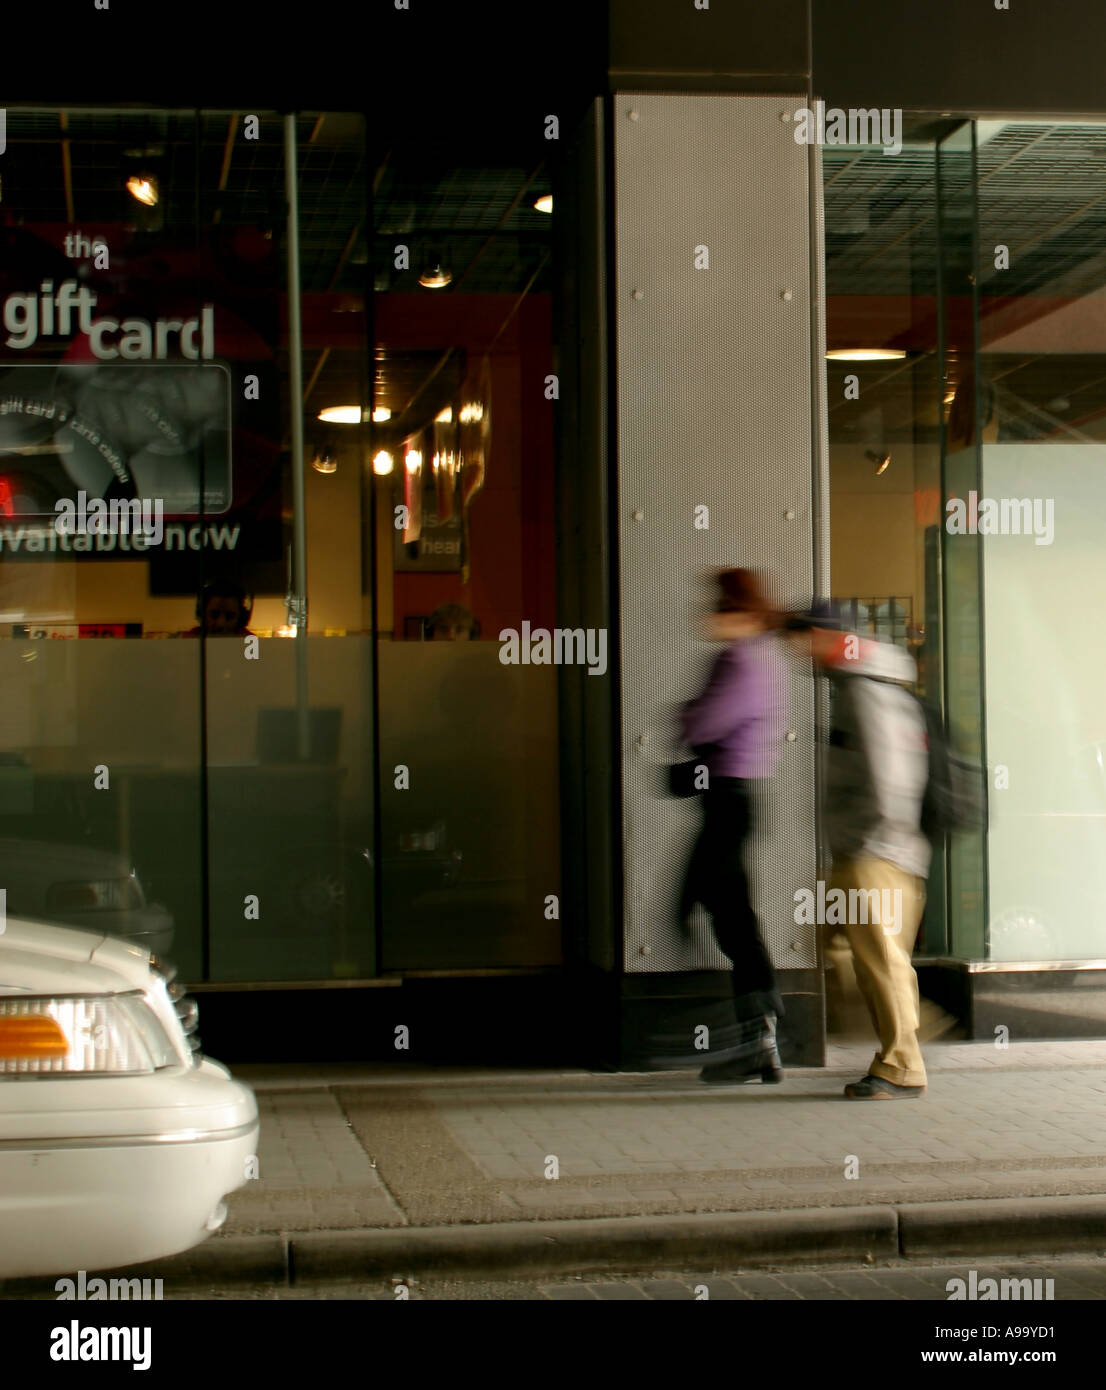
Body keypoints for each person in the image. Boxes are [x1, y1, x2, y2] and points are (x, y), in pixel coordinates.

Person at [785, 602, 931, 1099]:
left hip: (877, 853)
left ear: (831, 638)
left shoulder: (866, 691)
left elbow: (890, 778)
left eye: (805, 638)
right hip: (864, 851)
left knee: (881, 959)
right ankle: (912, 1029)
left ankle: (902, 1063)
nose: (799, 650)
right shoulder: (853, 686)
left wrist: (870, 842)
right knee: (848, 950)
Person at [677, 568, 789, 1085]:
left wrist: (688, 713)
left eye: (719, 607)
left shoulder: (741, 660)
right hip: (733, 798)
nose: (709, 617)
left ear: (740, 612)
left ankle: (760, 1037)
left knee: (730, 918)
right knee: (725, 912)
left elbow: (700, 724)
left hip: (726, 798)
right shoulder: (765, 659)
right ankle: (760, 1037)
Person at [183, 579, 255, 636]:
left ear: (241, 618)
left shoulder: (252, 647)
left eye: (230, 616)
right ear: (202, 614)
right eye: (214, 615)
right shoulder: (187, 641)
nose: (221, 623)